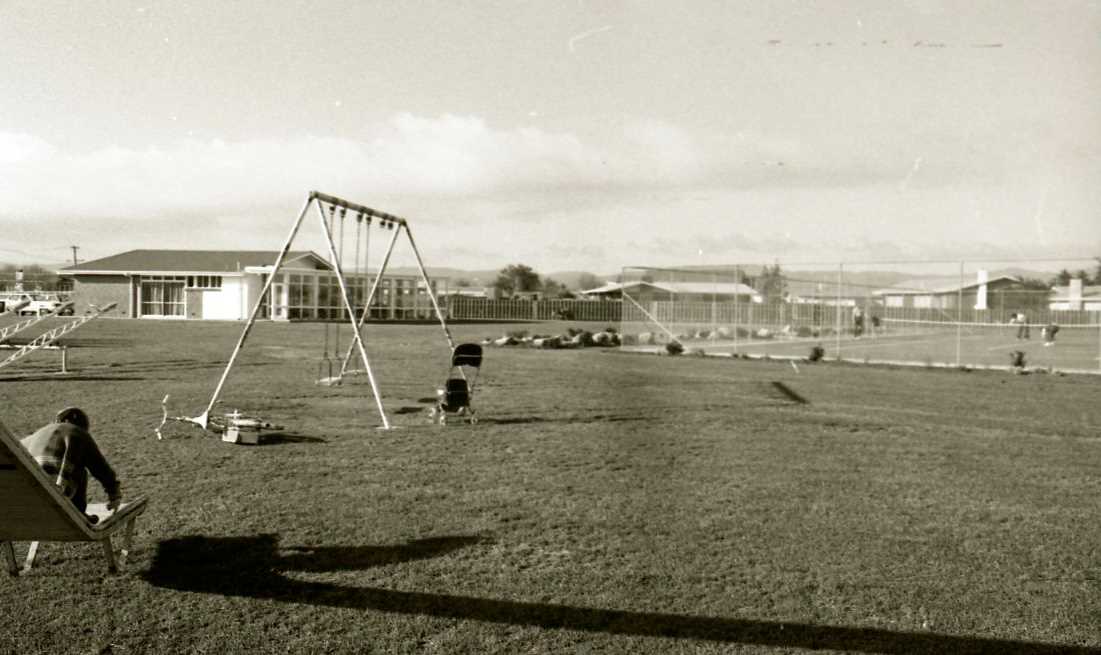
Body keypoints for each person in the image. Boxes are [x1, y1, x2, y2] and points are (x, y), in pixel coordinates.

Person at [20, 407, 122, 518]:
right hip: (56, 496)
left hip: (24, 496)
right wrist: (114, 494)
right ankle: (79, 514)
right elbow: (101, 468)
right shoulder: (77, 432)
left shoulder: (32, 437)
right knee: (81, 470)